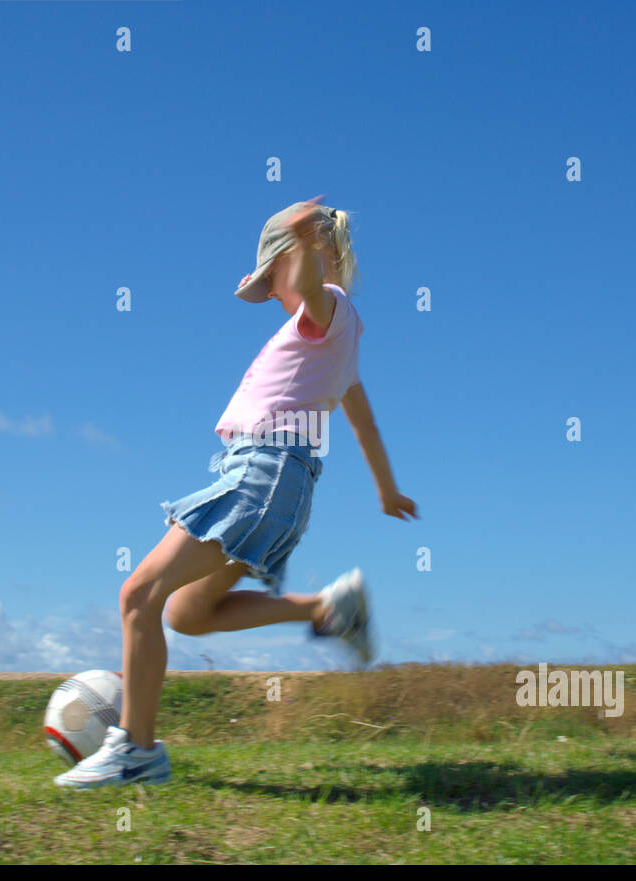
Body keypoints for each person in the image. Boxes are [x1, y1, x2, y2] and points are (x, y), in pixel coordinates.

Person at [55, 196, 417, 789]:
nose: (274, 293)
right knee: (187, 612)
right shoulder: (332, 346)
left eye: (274, 279)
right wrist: (387, 491)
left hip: (264, 474)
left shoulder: (327, 310)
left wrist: (301, 239)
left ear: (292, 264)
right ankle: (328, 609)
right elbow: (364, 423)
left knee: (137, 595)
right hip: (279, 483)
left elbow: (310, 286)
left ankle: (136, 753)